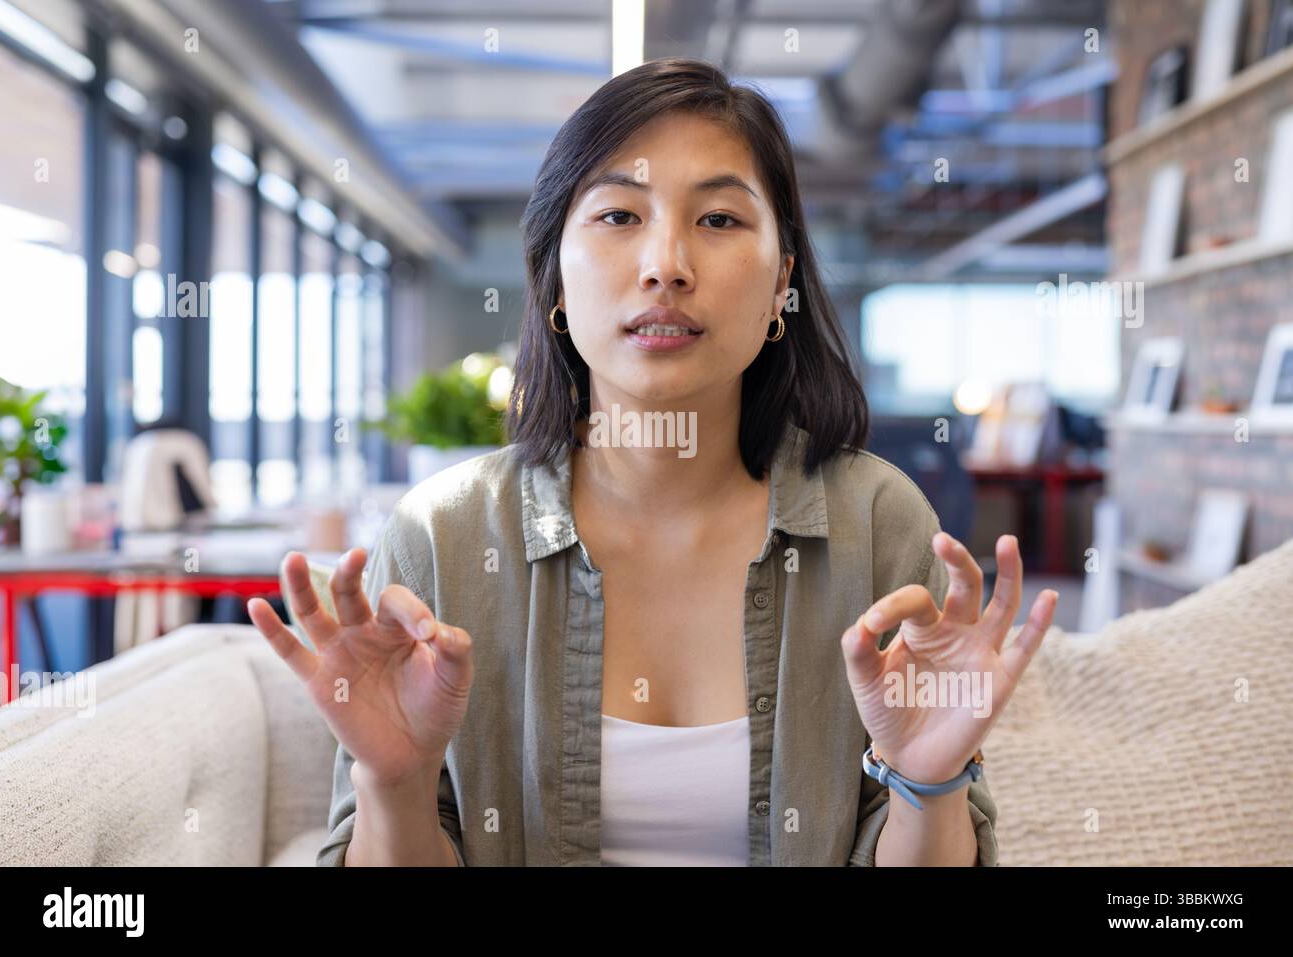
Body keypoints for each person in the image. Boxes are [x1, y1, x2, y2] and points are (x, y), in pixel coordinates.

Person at [247, 57, 1057, 867]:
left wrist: (927, 779)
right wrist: (396, 783)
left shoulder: (877, 523)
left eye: (719, 220)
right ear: (554, 277)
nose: (666, 263)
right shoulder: (443, 537)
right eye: (618, 216)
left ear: (783, 282)